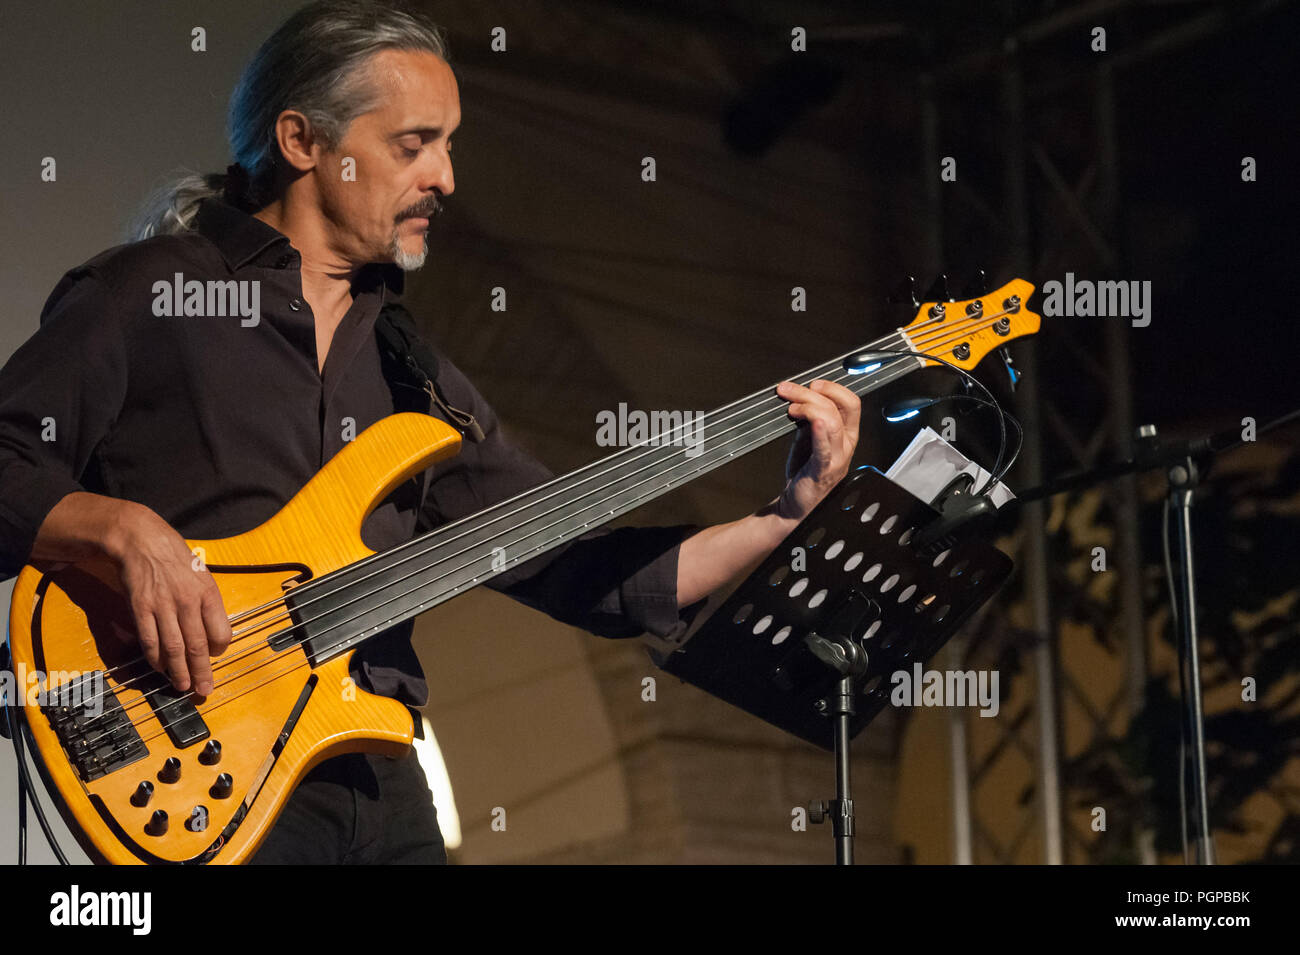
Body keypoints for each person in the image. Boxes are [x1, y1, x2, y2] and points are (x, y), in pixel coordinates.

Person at [0, 0, 861, 864]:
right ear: (303, 143)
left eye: (448, 145)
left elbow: (575, 566)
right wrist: (121, 531)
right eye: (414, 146)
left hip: (380, 771)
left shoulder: (411, 371)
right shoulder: (152, 291)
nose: (446, 178)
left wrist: (782, 516)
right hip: (199, 766)